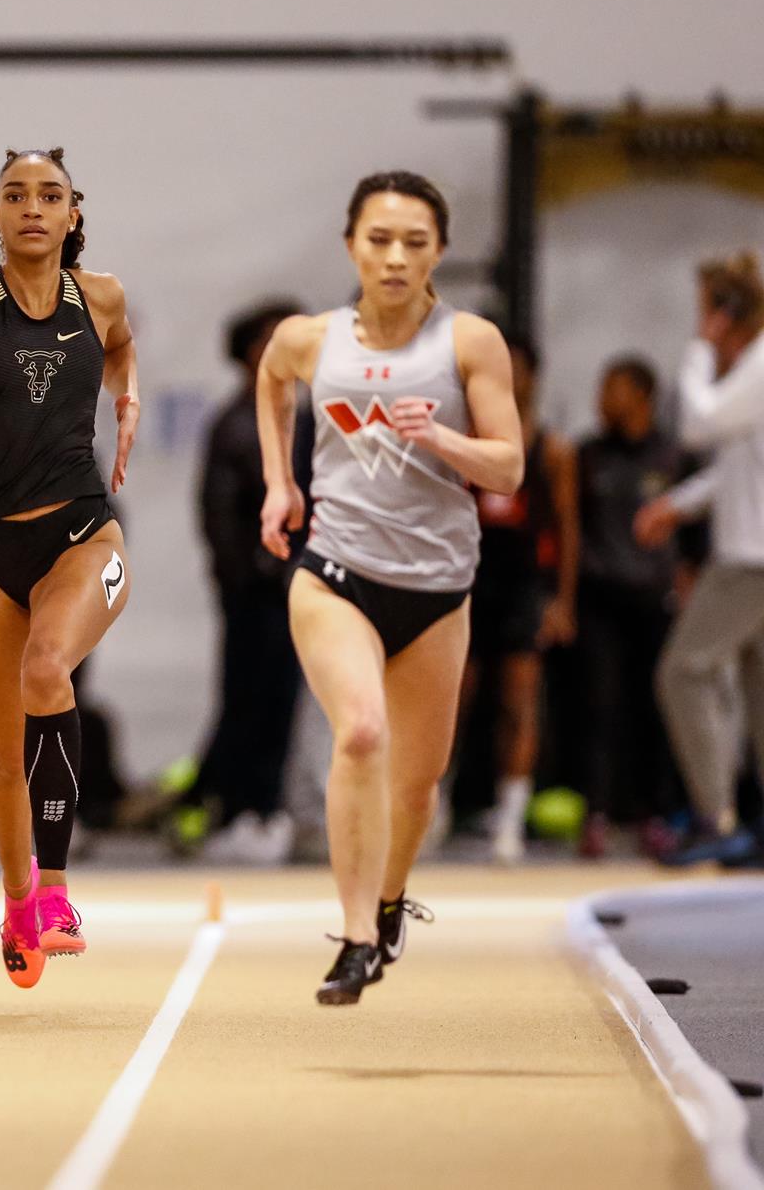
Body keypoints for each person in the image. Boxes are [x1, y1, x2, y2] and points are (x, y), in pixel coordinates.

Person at [257, 170, 522, 1005]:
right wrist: (280, 483)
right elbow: (271, 376)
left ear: (440, 250)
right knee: (362, 733)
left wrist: (442, 437)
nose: (396, 257)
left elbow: (509, 465)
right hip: (335, 574)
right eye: (379, 239)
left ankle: (391, 895)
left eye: (415, 241)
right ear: (351, 246)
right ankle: (356, 936)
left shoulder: (469, 342)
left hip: (438, 587)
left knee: (417, 781)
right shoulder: (311, 338)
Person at [0, 148, 140, 989]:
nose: (32, 207)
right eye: (15, 195)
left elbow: (120, 343)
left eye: (50, 195)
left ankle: (57, 890)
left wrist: (131, 395)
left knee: (49, 668)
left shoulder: (101, 294)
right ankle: (16, 901)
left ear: (74, 212)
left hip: (80, 532)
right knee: (5, 750)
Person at [641, 253, 764, 868]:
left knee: (683, 671)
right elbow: (739, 468)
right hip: (753, 553)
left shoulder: (760, 364)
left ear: (724, 313)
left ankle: (715, 817)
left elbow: (697, 423)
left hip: (752, 563)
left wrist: (697, 349)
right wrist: (679, 504)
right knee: (759, 690)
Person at [194, 299, 311, 864]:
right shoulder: (233, 423)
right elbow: (216, 513)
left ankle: (272, 808)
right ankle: (241, 809)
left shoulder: (306, 419)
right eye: (268, 341)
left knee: (287, 700)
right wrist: (239, 577)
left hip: (297, 585)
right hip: (253, 590)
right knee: (248, 696)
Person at [458, 333, 578, 864]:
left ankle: (510, 812)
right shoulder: (466, 436)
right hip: (468, 579)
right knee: (452, 699)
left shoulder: (551, 448)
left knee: (518, 702)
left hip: (522, 586)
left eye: (518, 370)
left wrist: (563, 600)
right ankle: (433, 803)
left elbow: (568, 528)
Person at [575, 356, 690, 856]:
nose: (602, 400)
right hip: (602, 595)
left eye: (613, 389)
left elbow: (693, 522)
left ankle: (656, 813)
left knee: (656, 705)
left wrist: (686, 575)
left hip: (654, 596)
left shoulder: (672, 455)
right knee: (600, 705)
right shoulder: (589, 454)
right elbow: (572, 523)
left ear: (642, 396)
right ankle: (597, 812)